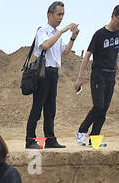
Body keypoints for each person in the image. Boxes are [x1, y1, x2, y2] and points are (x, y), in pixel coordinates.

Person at [26, 3, 80, 149]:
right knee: (37, 108)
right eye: (59, 14)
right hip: (43, 73)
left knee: (50, 109)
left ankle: (50, 139)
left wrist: (72, 38)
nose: (61, 17)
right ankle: (30, 139)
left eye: (63, 14)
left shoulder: (57, 34)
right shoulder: (43, 31)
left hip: (54, 73)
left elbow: (65, 52)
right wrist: (62, 31)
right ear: (50, 15)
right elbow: (45, 45)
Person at [75, 4, 119, 147]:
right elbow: (87, 55)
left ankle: (95, 139)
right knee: (98, 106)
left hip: (111, 75)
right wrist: (80, 77)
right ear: (113, 15)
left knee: (104, 109)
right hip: (99, 74)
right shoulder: (100, 34)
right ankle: (81, 131)